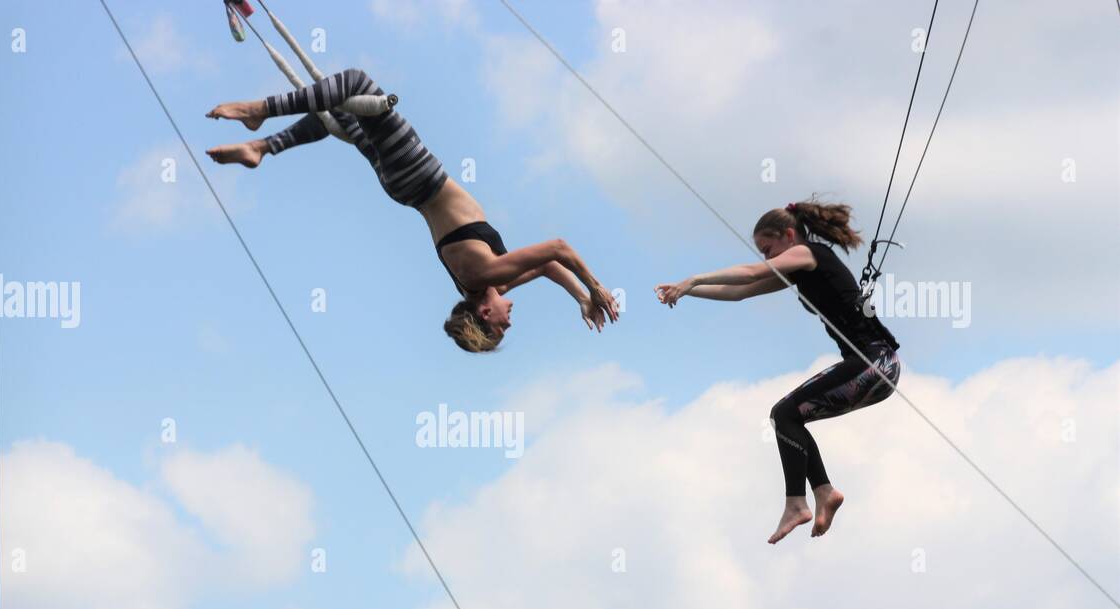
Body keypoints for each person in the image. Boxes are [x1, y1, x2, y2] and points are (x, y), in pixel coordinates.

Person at [206, 68, 620, 351]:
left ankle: (258, 112)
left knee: (356, 85)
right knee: (344, 117)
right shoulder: (499, 282)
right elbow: (549, 266)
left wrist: (596, 285)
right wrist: (582, 298)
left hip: (420, 177)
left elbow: (559, 247)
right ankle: (261, 148)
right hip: (405, 188)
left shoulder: (484, 275)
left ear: (481, 312)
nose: (508, 323)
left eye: (497, 327)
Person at [656, 199, 901, 544]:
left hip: (874, 363)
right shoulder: (799, 270)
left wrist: (694, 276)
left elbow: (750, 273)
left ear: (789, 235)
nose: (767, 260)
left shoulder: (808, 253)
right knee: (789, 417)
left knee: (783, 413)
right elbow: (739, 291)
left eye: (768, 249)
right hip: (876, 367)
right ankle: (823, 493)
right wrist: (688, 291)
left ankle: (798, 504)